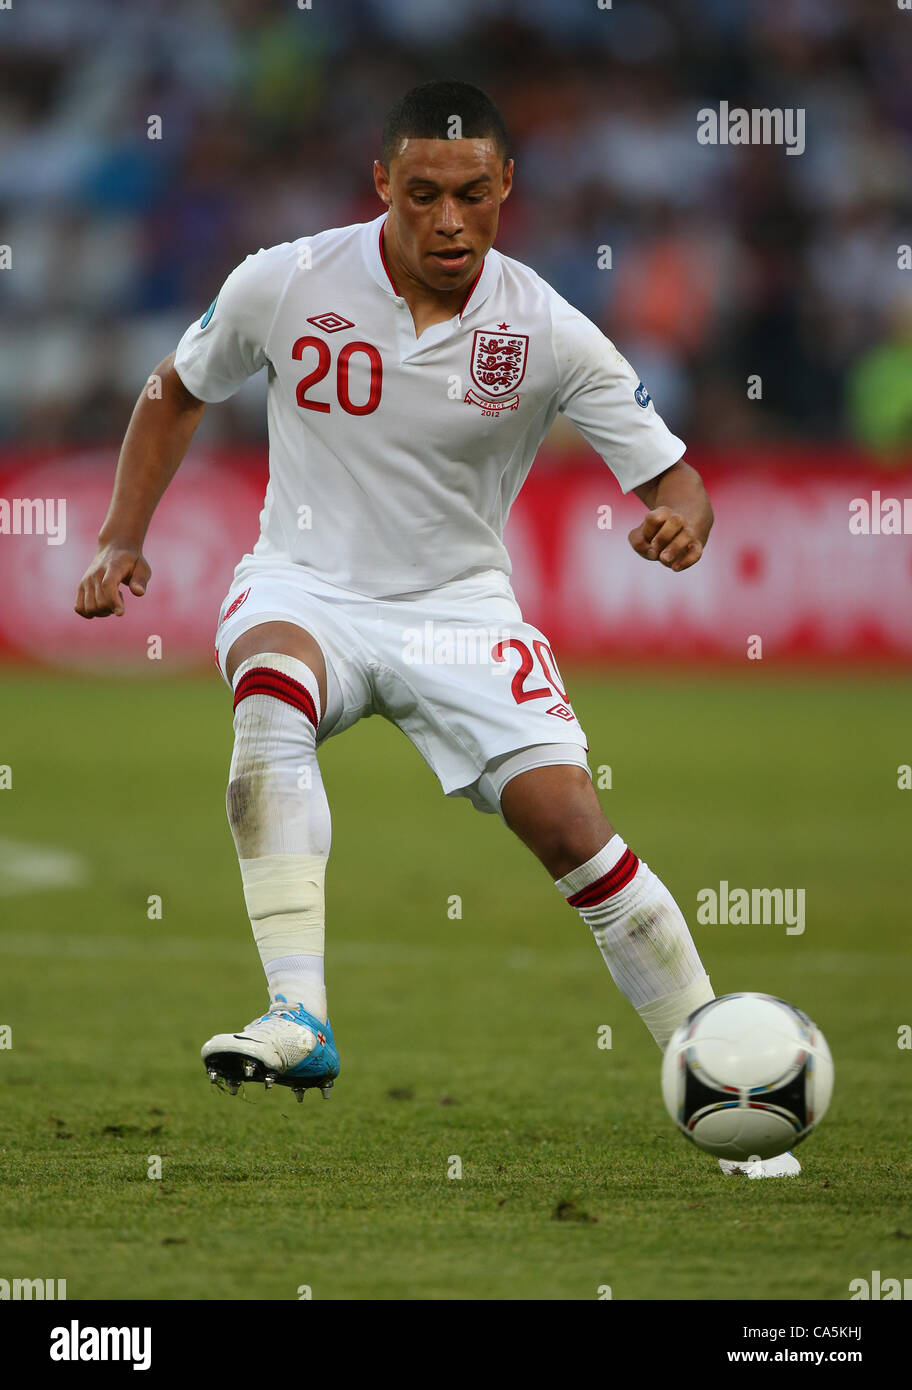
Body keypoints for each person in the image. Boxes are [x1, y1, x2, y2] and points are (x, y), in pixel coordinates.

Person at [75, 80, 795, 1178]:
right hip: (306, 580)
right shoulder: (286, 279)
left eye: (470, 194)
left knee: (575, 833)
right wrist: (122, 534)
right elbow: (174, 389)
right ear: (382, 186)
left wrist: (682, 521)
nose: (448, 220)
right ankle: (298, 1015)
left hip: (459, 608)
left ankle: (722, 1082)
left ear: (507, 185)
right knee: (271, 687)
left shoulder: (547, 328)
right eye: (421, 195)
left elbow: (676, 478)